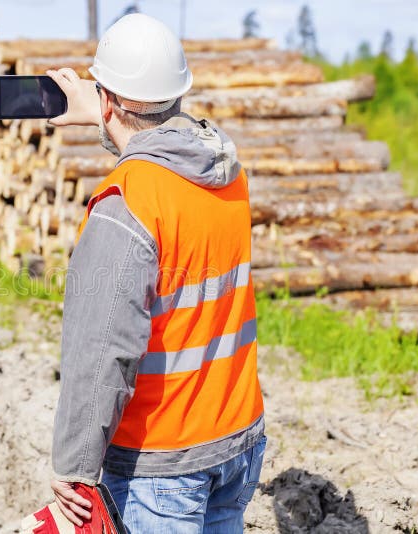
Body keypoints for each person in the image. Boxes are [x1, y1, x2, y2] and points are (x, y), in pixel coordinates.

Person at [45, 13, 266, 534]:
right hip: (236, 437)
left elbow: (103, 350)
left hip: (163, 462)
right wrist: (103, 110)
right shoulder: (224, 172)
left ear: (107, 99)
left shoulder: (127, 203)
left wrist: (75, 467)